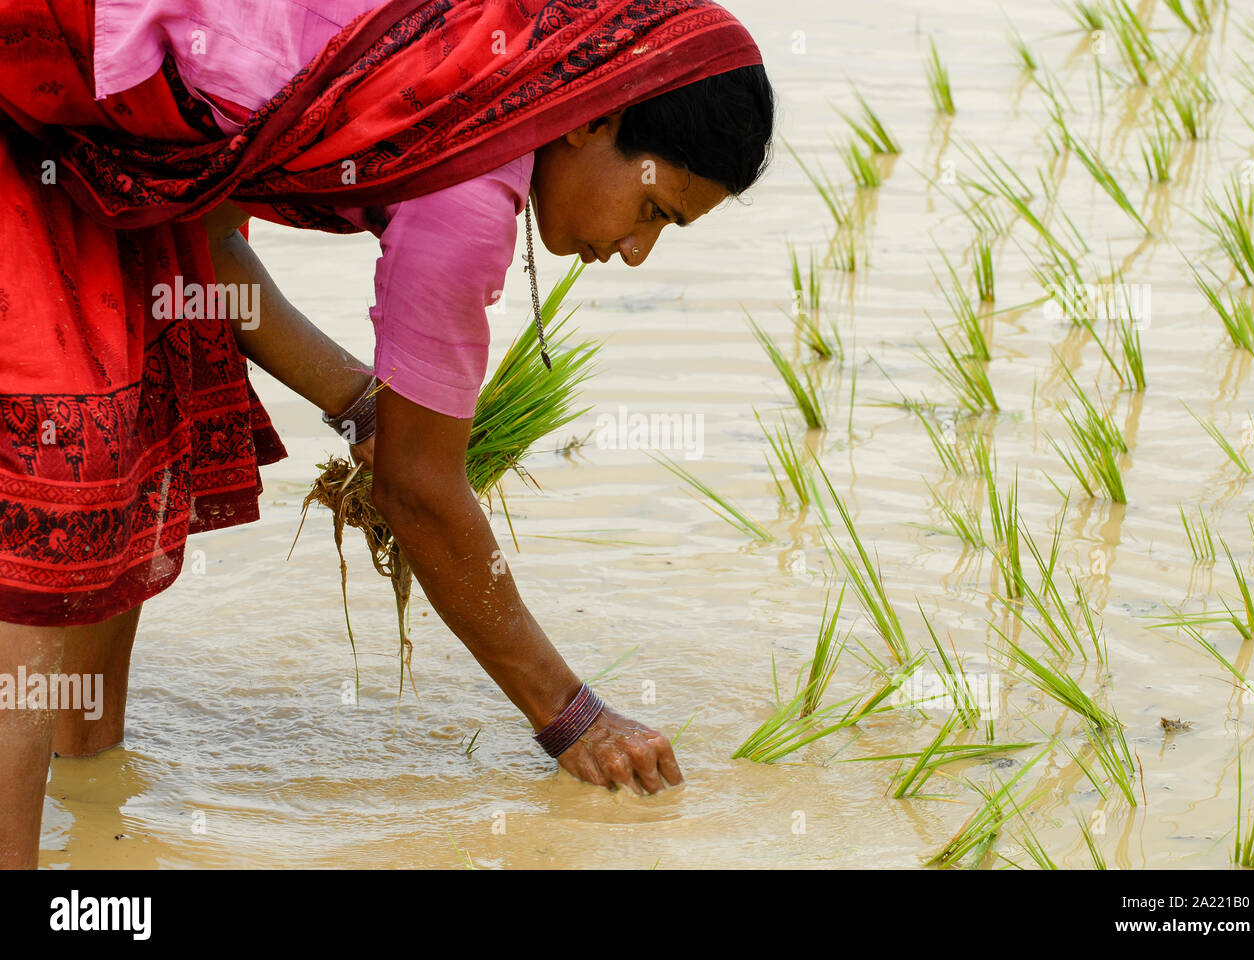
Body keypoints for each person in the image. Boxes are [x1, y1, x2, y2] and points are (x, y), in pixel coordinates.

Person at [0, 0, 776, 868]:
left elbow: (198, 236)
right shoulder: (472, 184)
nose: (637, 253)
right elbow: (419, 488)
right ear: (593, 116)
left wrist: (365, 406)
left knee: (149, 382)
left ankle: (94, 798)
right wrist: (573, 718)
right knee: (61, 460)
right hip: (39, 54)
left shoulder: (478, 58)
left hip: (80, 115)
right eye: (656, 211)